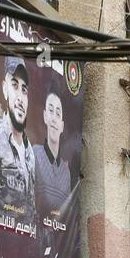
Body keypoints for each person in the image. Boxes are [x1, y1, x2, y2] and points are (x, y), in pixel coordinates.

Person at [0, 55, 36, 228]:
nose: (20, 97)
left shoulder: (29, 150)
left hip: (26, 250)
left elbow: (31, 209)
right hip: (0, 248)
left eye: (24, 89)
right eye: (14, 86)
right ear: (4, 89)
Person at [33, 81, 76, 223]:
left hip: (58, 240)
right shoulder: (34, 154)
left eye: (58, 113)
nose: (54, 119)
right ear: (45, 116)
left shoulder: (66, 172)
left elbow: (67, 217)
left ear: (62, 125)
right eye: (51, 111)